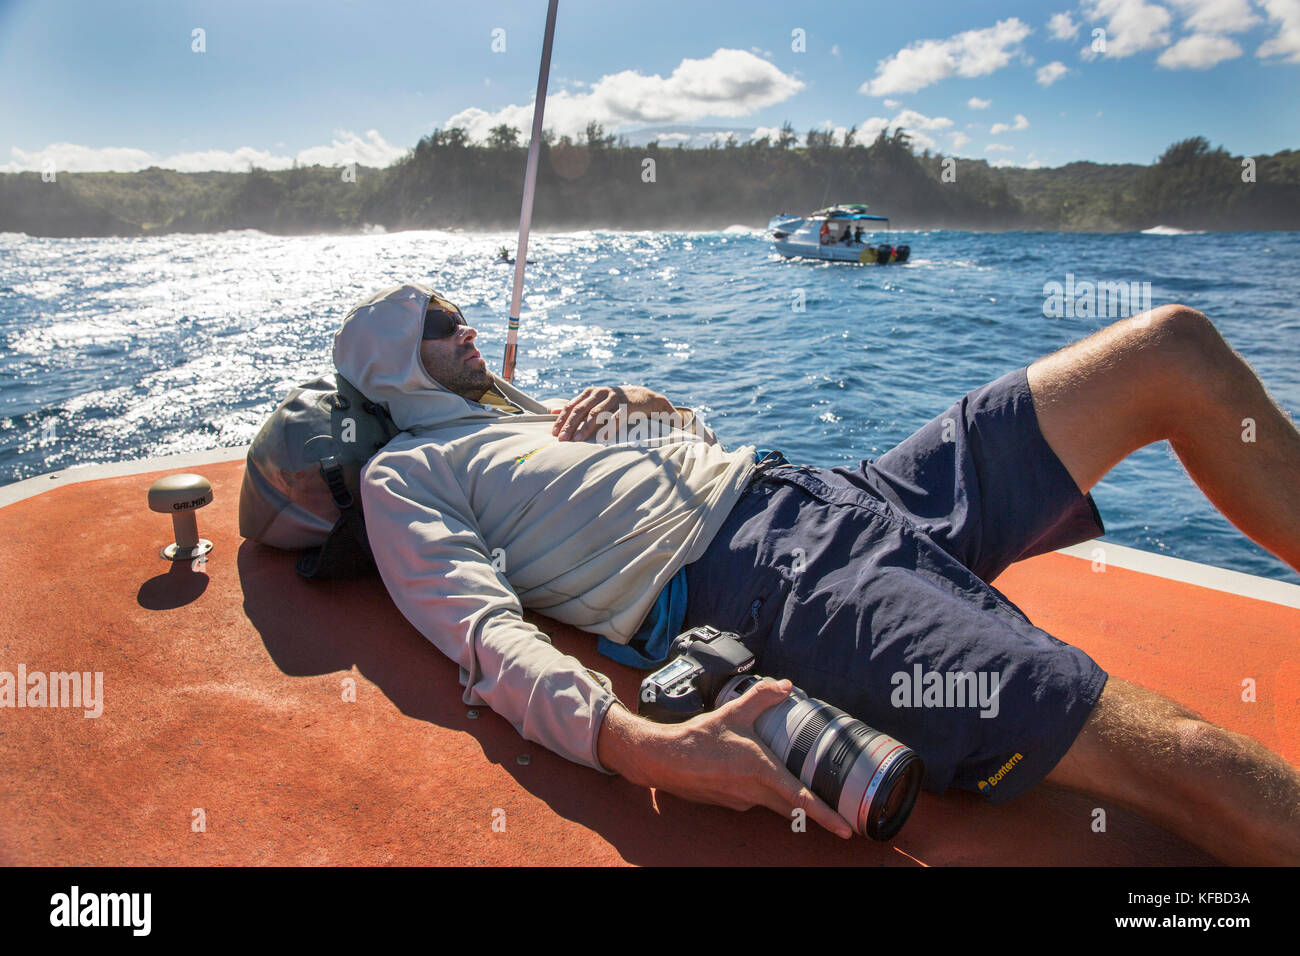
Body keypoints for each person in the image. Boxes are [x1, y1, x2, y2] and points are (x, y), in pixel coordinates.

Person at [335, 283, 1300, 865]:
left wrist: (650, 403)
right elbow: (481, 631)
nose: (465, 327)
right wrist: (633, 743)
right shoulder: (409, 473)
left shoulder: (529, 415)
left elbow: (700, 444)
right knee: (1181, 749)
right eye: (439, 320)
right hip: (770, 578)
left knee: (1170, 349)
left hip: (835, 486)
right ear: (389, 363)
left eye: (461, 313)